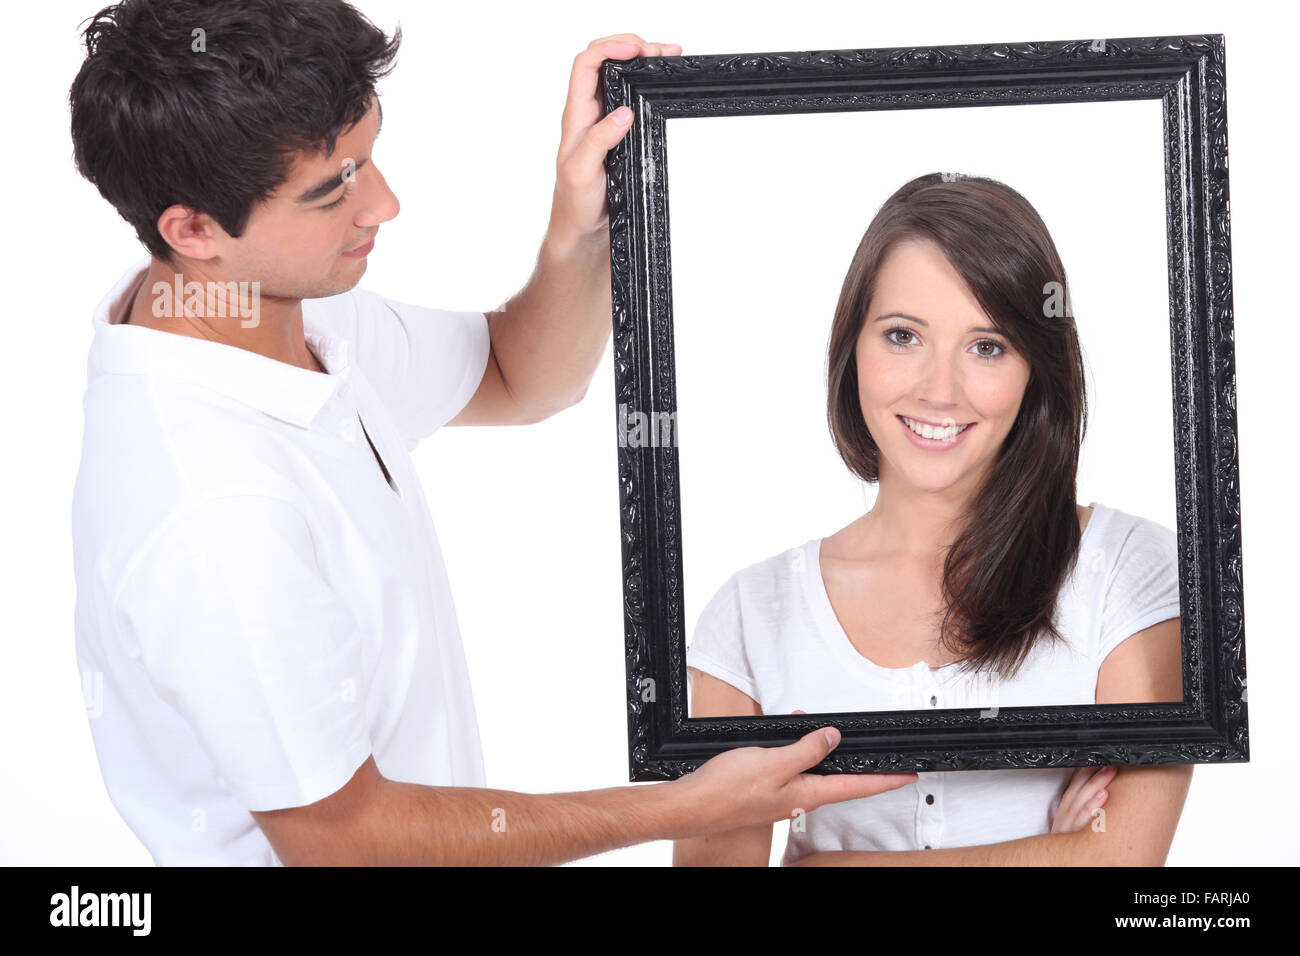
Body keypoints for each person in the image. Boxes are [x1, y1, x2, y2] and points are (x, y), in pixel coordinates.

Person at [68, 0, 920, 866]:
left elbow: (521, 375)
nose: (384, 204)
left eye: (368, 157)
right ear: (193, 230)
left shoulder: (265, 313)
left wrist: (581, 220)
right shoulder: (210, 503)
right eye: (333, 190)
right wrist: (683, 808)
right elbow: (348, 845)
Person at [676, 173, 1193, 866]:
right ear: (851, 346)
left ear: (1037, 370)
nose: (939, 391)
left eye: (987, 347)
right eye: (902, 335)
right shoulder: (749, 615)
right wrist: (1050, 854)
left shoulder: (1130, 571)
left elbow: (1123, 870)